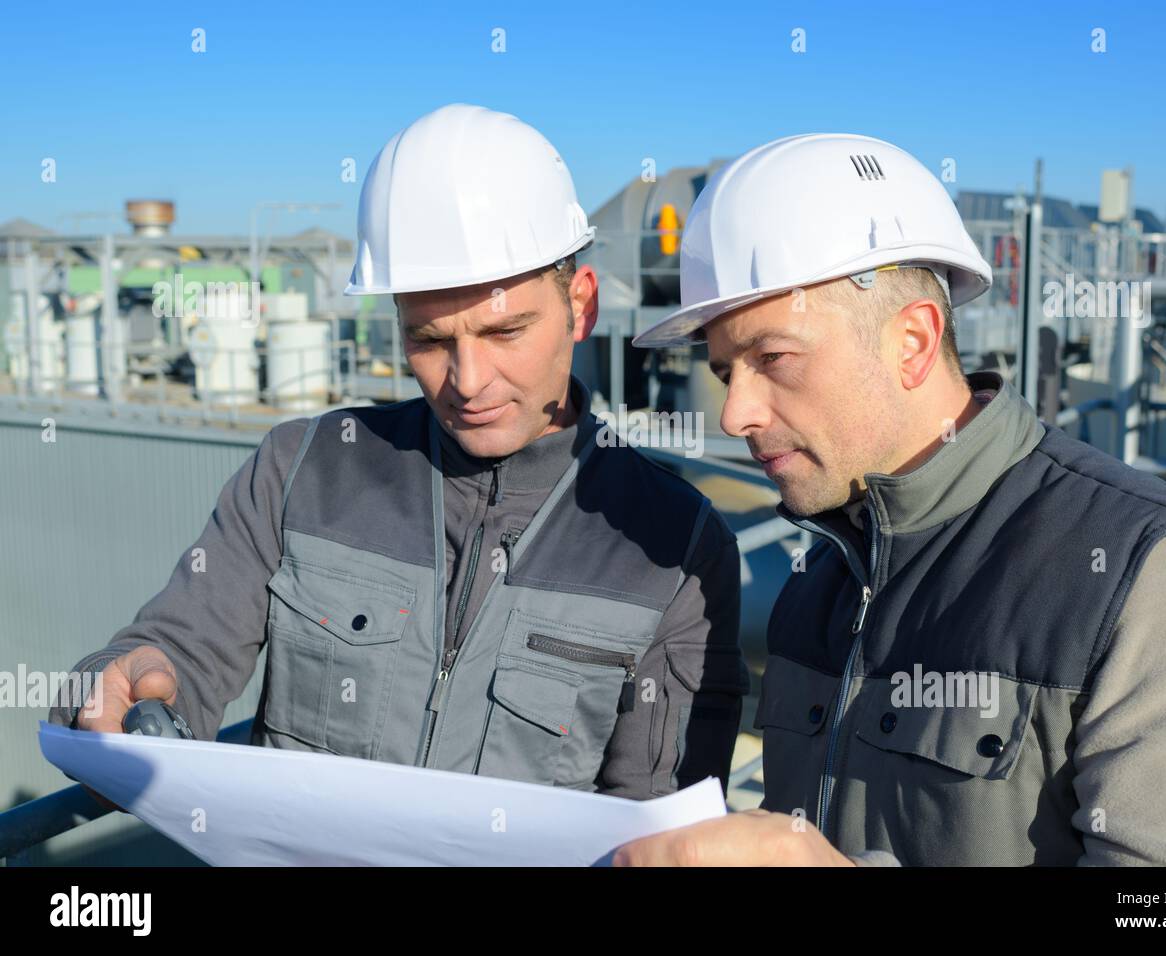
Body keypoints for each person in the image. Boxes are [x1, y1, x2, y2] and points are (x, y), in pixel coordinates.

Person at [616, 132, 1166, 866]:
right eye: (726, 371)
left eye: (773, 358)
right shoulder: (824, 581)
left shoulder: (1155, 588)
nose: (734, 413)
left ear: (911, 342)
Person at [50, 104, 748, 808]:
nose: (468, 381)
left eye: (504, 331)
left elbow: (658, 826)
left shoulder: (675, 546)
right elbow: (178, 652)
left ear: (582, 306)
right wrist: (114, 683)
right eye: (429, 338)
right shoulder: (302, 471)